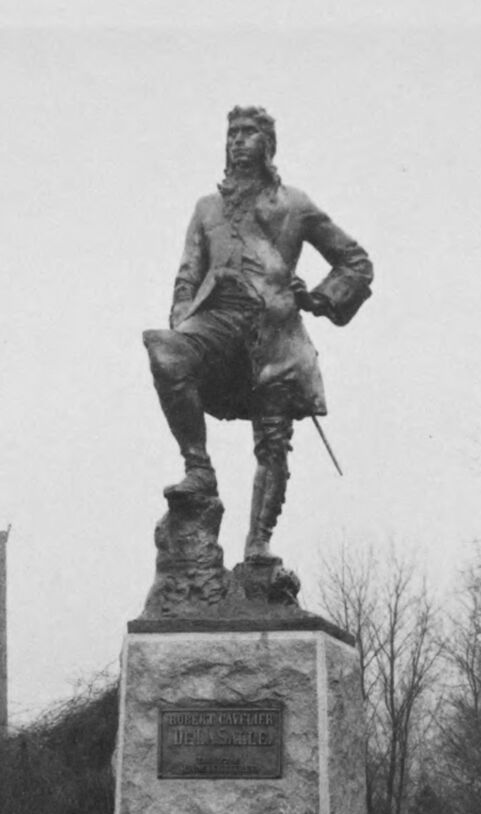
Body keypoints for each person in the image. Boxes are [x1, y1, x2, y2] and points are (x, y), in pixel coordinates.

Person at [143, 106, 373, 564]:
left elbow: (356, 262)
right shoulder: (206, 209)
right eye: (232, 134)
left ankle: (259, 543)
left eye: (249, 134)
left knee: (272, 442)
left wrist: (322, 299)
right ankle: (199, 469)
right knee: (164, 352)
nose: (238, 142)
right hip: (217, 322)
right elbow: (187, 275)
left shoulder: (295, 204)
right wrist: (181, 322)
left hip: (274, 331)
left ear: (268, 145)